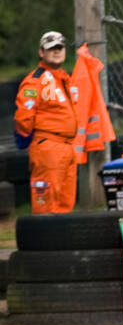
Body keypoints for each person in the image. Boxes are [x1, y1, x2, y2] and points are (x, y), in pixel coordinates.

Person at [13, 31, 79, 213]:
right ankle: (44, 241)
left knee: (65, 204)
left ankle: (61, 241)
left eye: (60, 47)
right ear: (41, 52)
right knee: (47, 204)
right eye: (51, 48)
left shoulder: (64, 78)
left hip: (67, 147)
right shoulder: (35, 81)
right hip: (48, 147)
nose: (56, 51)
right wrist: (28, 138)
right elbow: (24, 116)